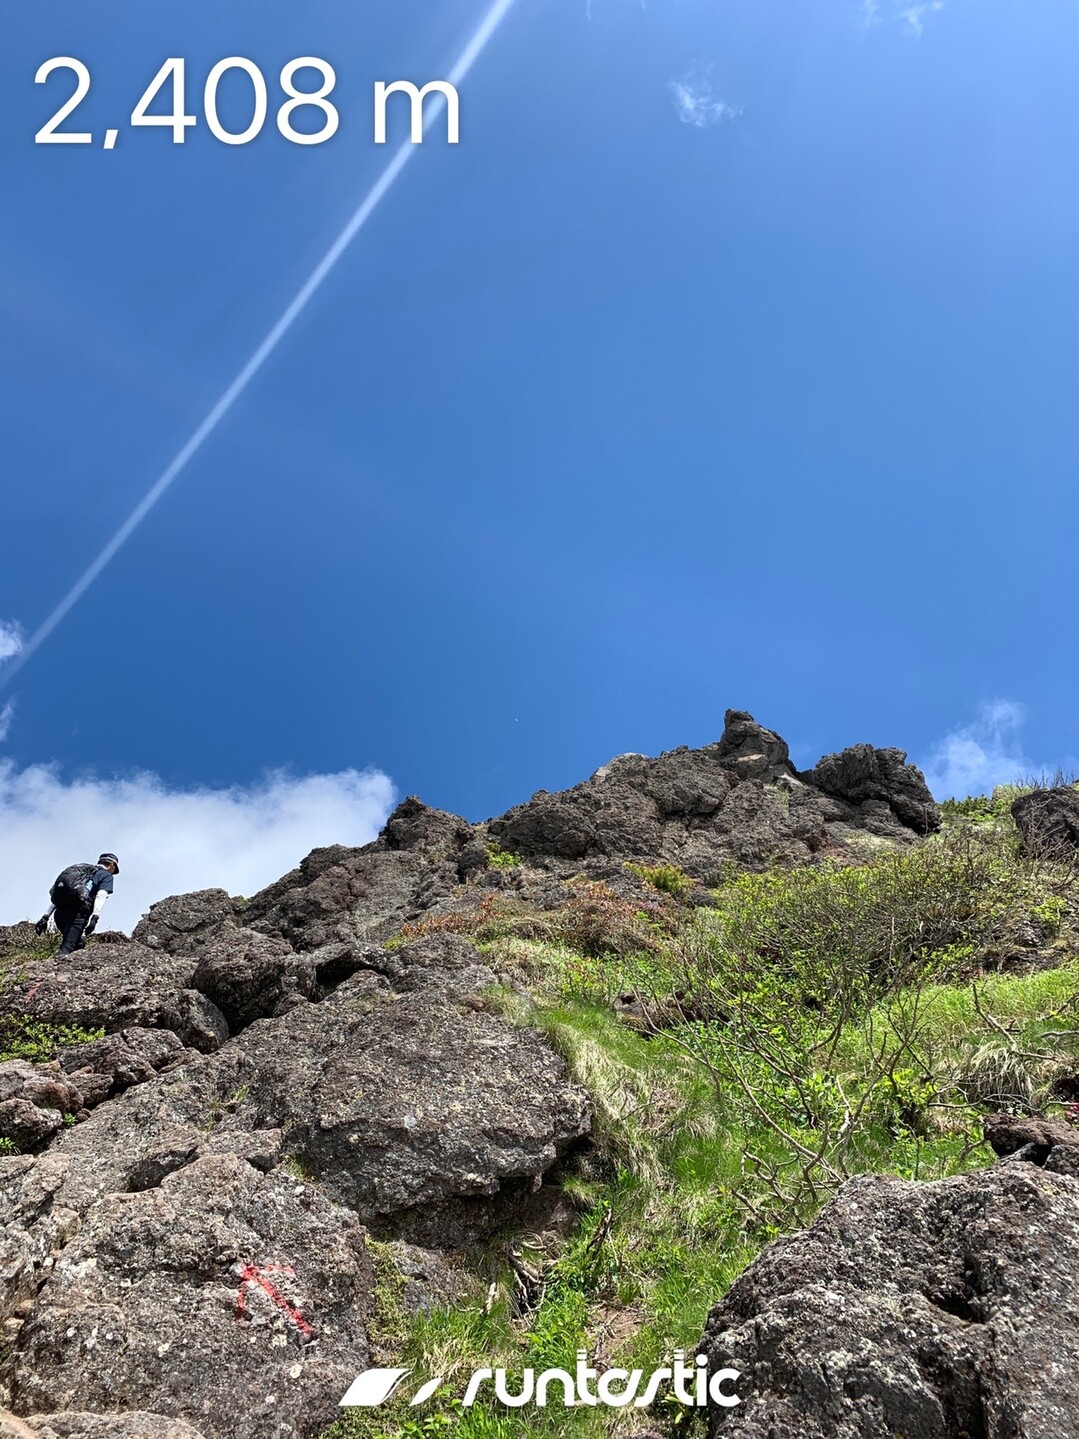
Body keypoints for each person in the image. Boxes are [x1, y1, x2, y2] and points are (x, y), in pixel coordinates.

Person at [35, 853, 120, 956]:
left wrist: (45, 917)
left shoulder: (82, 872)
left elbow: (59, 896)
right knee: (66, 950)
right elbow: (101, 895)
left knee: (76, 944)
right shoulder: (106, 875)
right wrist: (95, 917)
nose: (113, 872)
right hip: (78, 915)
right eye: (114, 869)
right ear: (112, 865)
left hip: (59, 914)